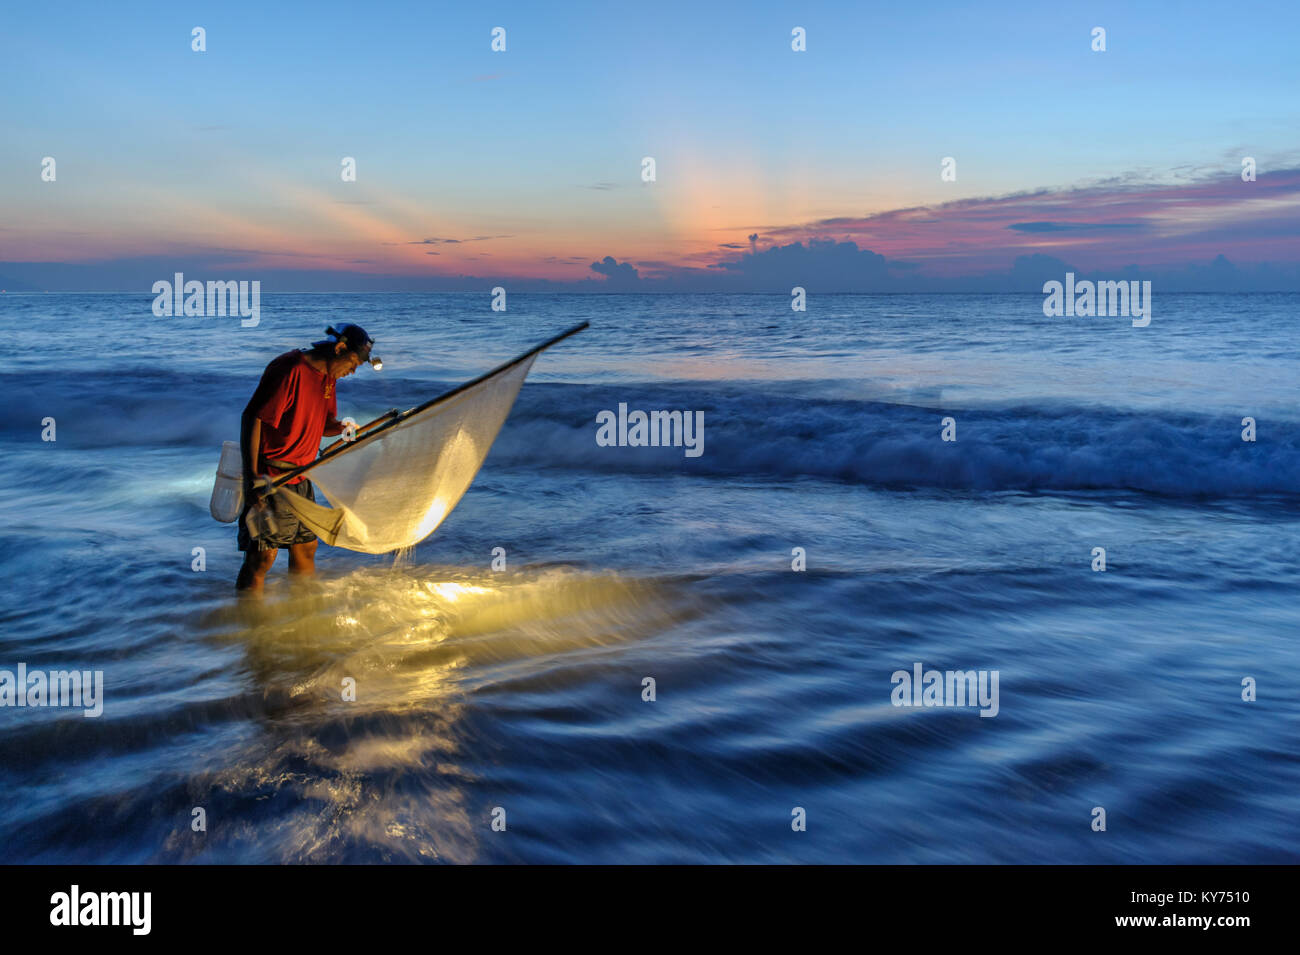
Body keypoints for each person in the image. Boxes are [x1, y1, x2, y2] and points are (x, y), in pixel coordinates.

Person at [235, 324, 378, 592]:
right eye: (353, 362)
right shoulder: (290, 369)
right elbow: (252, 418)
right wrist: (251, 478)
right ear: (339, 349)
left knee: (305, 549)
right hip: (271, 476)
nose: (353, 371)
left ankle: (305, 617)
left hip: (301, 476)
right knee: (262, 557)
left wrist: (344, 428)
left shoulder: (328, 378)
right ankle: (248, 625)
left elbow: (324, 425)